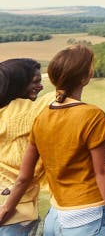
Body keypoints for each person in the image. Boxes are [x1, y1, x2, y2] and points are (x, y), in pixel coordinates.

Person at [0, 46, 105, 236]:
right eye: (35, 82)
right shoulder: (33, 112)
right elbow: (102, 171)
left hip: (49, 212)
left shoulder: (15, 115)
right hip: (21, 211)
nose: (40, 86)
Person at [0, 59, 50, 236]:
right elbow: (57, 100)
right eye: (35, 81)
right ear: (18, 84)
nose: (40, 86)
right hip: (15, 213)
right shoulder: (22, 112)